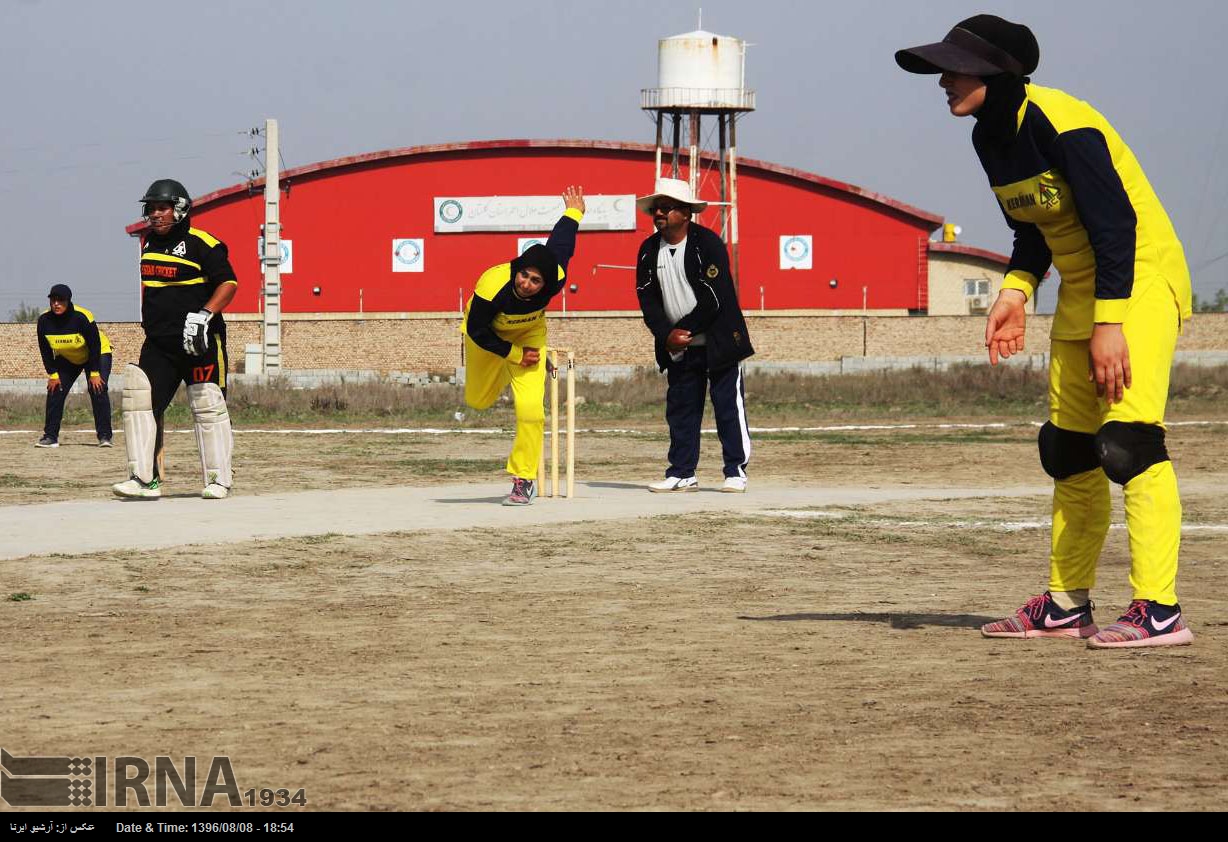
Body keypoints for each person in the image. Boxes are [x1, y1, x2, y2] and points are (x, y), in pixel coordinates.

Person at [896, 15, 1194, 648]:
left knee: (1128, 443)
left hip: (1138, 281)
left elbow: (1116, 227)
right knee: (1067, 449)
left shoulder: (1064, 122)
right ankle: (1065, 603)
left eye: (954, 69)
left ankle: (1159, 609)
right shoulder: (990, 136)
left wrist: (1110, 324)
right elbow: (1031, 231)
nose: (943, 81)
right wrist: (1015, 291)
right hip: (1085, 290)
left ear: (996, 72)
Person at [112, 179, 237, 500]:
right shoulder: (149, 243)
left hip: (199, 341)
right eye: (151, 209)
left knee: (208, 405)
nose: (155, 214)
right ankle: (144, 479)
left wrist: (205, 314)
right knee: (140, 403)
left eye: (162, 208)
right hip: (159, 344)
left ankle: (218, 480)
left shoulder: (203, 243)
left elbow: (229, 284)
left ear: (179, 209)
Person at [462, 186, 585, 505]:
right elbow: (476, 330)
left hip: (530, 335)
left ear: (547, 283)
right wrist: (513, 355)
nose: (527, 284)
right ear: (517, 270)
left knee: (531, 410)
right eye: (524, 276)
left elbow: (561, 243)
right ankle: (508, 368)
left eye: (535, 281)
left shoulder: (556, 275)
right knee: (477, 400)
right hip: (486, 337)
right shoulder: (493, 284)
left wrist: (574, 212)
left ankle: (523, 478)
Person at [634, 177, 754, 493]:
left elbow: (714, 297)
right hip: (678, 347)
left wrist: (682, 329)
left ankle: (735, 471)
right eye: (655, 209)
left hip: (719, 342)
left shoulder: (707, 244)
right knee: (681, 410)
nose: (659, 213)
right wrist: (666, 335)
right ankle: (682, 472)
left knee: (727, 406)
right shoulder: (648, 250)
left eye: (666, 207)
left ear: (686, 213)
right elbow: (647, 299)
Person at [35, 284, 114, 448]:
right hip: (69, 357)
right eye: (53, 300)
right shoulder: (44, 321)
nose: (56, 304)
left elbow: (95, 345)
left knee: (97, 389)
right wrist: (53, 374)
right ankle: (50, 437)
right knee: (55, 390)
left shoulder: (82, 317)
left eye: (61, 301)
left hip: (96, 354)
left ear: (68, 301)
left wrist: (94, 372)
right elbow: (45, 350)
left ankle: (105, 436)